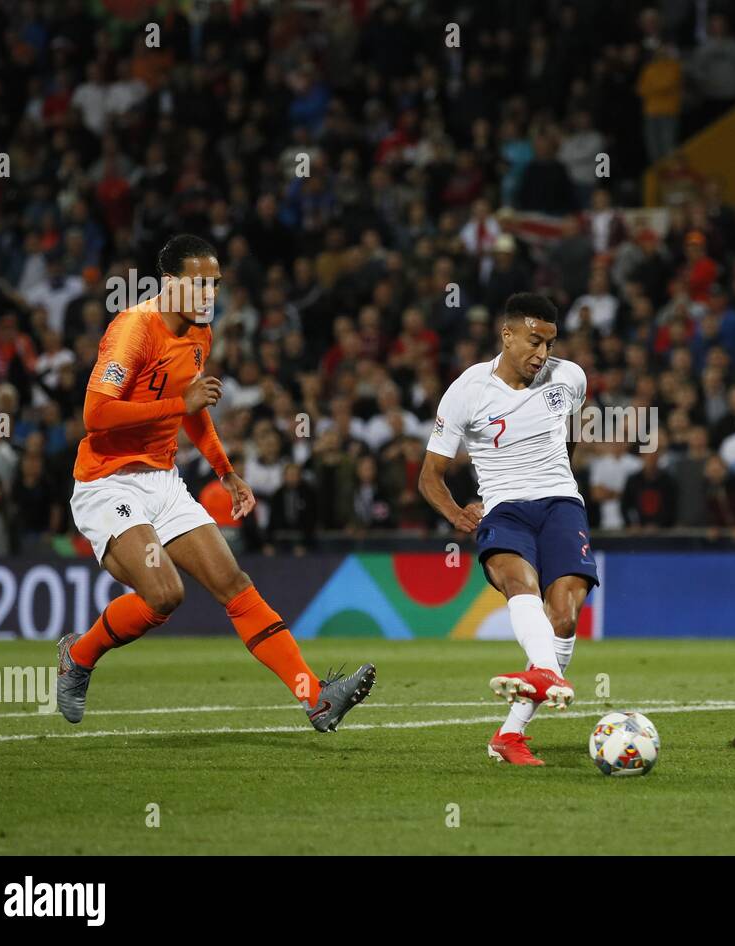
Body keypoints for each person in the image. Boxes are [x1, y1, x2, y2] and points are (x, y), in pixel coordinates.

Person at [57, 235, 376, 730]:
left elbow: (196, 413)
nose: (210, 293)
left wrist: (227, 473)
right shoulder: (133, 330)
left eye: (215, 283)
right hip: (108, 482)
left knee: (234, 584)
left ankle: (316, 698)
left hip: (163, 481)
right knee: (165, 594)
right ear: (169, 283)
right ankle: (78, 655)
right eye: (200, 282)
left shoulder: (200, 334)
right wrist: (177, 405)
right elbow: (95, 414)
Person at [419, 292, 596, 766]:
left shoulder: (570, 378)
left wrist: (562, 479)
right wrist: (456, 513)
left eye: (550, 345)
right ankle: (544, 671)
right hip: (503, 509)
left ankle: (509, 735)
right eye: (534, 342)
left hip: (561, 504)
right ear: (508, 334)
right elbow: (429, 476)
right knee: (521, 583)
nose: (542, 355)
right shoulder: (467, 390)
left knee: (564, 615)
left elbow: (571, 433)